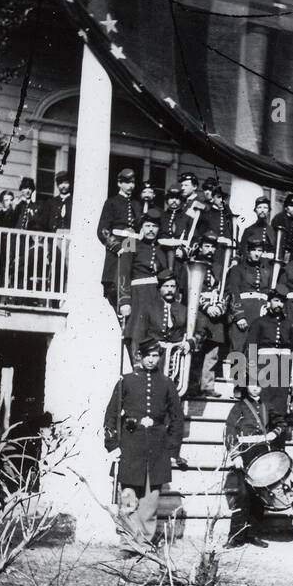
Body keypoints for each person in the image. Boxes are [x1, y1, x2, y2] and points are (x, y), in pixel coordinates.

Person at [103, 336, 187, 543]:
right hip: (131, 445)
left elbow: (177, 418)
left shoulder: (167, 384)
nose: (151, 360)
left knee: (150, 500)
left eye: (155, 355)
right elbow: (111, 414)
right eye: (147, 355)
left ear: (160, 357)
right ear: (139, 356)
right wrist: (112, 444)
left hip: (157, 447)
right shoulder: (127, 381)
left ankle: (146, 542)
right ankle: (131, 542)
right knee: (129, 496)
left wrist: (172, 447)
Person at [223, 382, 286, 548]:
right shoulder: (239, 407)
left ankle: (253, 534)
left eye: (259, 385)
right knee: (242, 495)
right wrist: (235, 455)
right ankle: (235, 537)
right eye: (252, 384)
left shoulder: (267, 406)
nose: (255, 388)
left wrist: (274, 433)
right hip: (244, 454)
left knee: (259, 495)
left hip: (262, 453)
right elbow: (230, 431)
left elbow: (281, 424)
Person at [118, 211, 169, 355]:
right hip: (138, 296)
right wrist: (124, 301)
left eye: (154, 226)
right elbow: (123, 273)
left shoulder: (162, 248)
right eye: (147, 226)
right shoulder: (130, 243)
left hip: (156, 297)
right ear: (141, 227)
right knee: (136, 334)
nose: (151, 229)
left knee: (156, 333)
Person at [186, 233, 229, 397]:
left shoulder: (220, 268)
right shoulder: (192, 264)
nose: (210, 250)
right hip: (199, 314)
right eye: (207, 246)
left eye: (212, 247)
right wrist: (206, 306)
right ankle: (192, 385)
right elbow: (189, 289)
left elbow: (225, 291)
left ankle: (207, 385)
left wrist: (220, 306)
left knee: (212, 354)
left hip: (216, 317)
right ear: (200, 246)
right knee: (196, 351)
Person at [246, 287, 293, 420]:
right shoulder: (259, 322)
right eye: (276, 300)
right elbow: (251, 348)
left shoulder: (289, 324)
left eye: (281, 302)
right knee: (265, 398)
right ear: (269, 302)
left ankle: (279, 434)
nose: (279, 304)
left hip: (284, 365)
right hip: (265, 364)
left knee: (281, 398)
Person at [96, 167, 140, 305]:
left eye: (132, 182)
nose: (130, 186)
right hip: (116, 251)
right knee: (113, 286)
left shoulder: (136, 204)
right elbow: (103, 230)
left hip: (131, 245)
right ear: (119, 183)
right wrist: (117, 247)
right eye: (127, 182)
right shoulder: (111, 202)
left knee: (128, 284)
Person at [226, 237, 272, 358]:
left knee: (255, 349)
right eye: (254, 250)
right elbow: (233, 292)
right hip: (244, 314)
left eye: (260, 250)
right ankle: (236, 376)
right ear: (248, 251)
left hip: (259, 314)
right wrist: (239, 316)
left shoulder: (266, 271)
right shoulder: (237, 270)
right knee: (238, 349)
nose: (257, 254)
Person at [239, 195, 276, 262]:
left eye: (265, 208)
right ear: (255, 210)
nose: (262, 210)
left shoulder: (273, 231)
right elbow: (242, 252)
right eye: (259, 207)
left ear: (269, 211)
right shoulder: (248, 230)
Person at [271, 192, 293, 259]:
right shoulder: (278, 218)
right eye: (292, 205)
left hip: (292, 254)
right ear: (286, 207)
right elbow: (272, 237)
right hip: (278, 252)